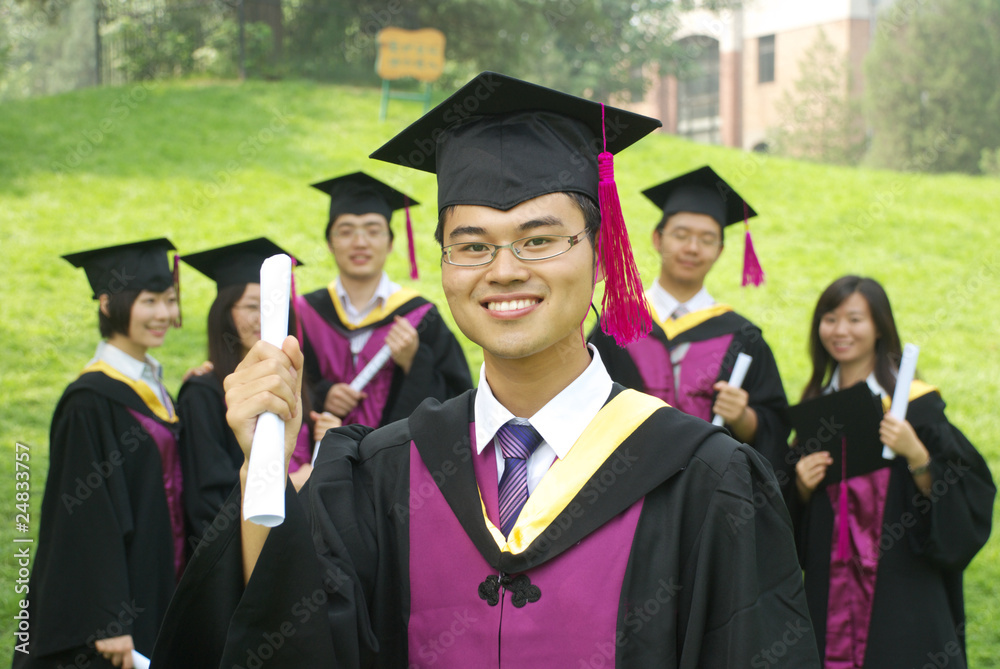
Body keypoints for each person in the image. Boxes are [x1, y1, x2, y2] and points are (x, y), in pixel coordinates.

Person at [152, 72, 819, 667]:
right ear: (443, 267)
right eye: (471, 246)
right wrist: (259, 460)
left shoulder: (702, 478)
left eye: (539, 239)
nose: (503, 270)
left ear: (600, 255)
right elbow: (291, 637)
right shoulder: (383, 473)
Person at [789, 275, 994, 669]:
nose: (841, 330)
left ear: (880, 326)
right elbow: (788, 523)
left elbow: (972, 493)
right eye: (830, 319)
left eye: (855, 319)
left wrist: (917, 455)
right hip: (827, 591)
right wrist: (799, 486)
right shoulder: (817, 408)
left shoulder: (916, 406)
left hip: (903, 588)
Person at [15, 239, 183, 669]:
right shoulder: (90, 400)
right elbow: (84, 516)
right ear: (109, 303)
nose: (164, 314)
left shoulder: (153, 386)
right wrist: (107, 619)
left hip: (155, 576)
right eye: (149, 301)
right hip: (119, 604)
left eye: (168, 300)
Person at [590, 165, 791, 473]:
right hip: (621, 484)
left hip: (709, 490)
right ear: (657, 239)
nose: (692, 248)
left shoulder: (743, 336)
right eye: (681, 235)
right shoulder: (615, 323)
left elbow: (776, 430)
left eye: (707, 239)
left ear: (720, 251)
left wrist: (744, 418)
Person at [177, 238, 340, 544]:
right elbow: (207, 500)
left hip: (303, 540)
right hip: (243, 556)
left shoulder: (294, 380)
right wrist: (291, 484)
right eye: (253, 306)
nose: (264, 318)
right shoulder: (202, 393)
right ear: (225, 311)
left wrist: (327, 439)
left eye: (272, 305)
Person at [296, 172, 472, 427]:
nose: (360, 242)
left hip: (394, 460)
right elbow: (285, 386)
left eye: (373, 231)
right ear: (329, 243)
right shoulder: (304, 313)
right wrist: (322, 395)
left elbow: (458, 399)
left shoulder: (420, 316)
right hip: (317, 460)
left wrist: (415, 361)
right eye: (345, 232)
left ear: (390, 243)